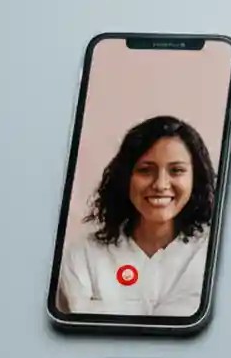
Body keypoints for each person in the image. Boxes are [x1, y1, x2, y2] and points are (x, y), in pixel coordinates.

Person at [56, 116, 217, 317]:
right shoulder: (84, 255)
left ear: (196, 178)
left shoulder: (215, 252)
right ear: (126, 177)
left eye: (176, 170)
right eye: (145, 170)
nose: (160, 184)